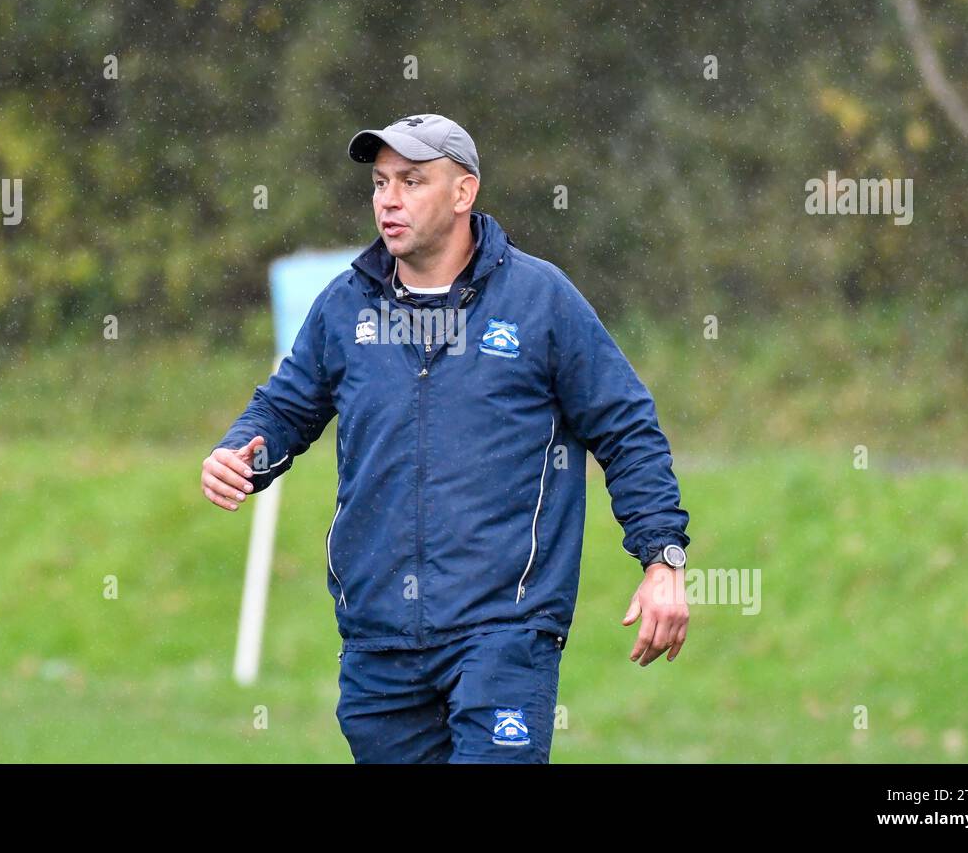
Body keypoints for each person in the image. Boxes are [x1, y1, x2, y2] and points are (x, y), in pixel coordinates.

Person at [204, 113, 691, 763]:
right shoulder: (345, 308)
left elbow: (627, 429)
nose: (389, 200)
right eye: (380, 184)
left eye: (412, 181)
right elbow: (285, 409)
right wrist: (241, 453)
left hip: (504, 631)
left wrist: (662, 559)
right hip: (378, 638)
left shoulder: (540, 301)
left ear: (463, 193)